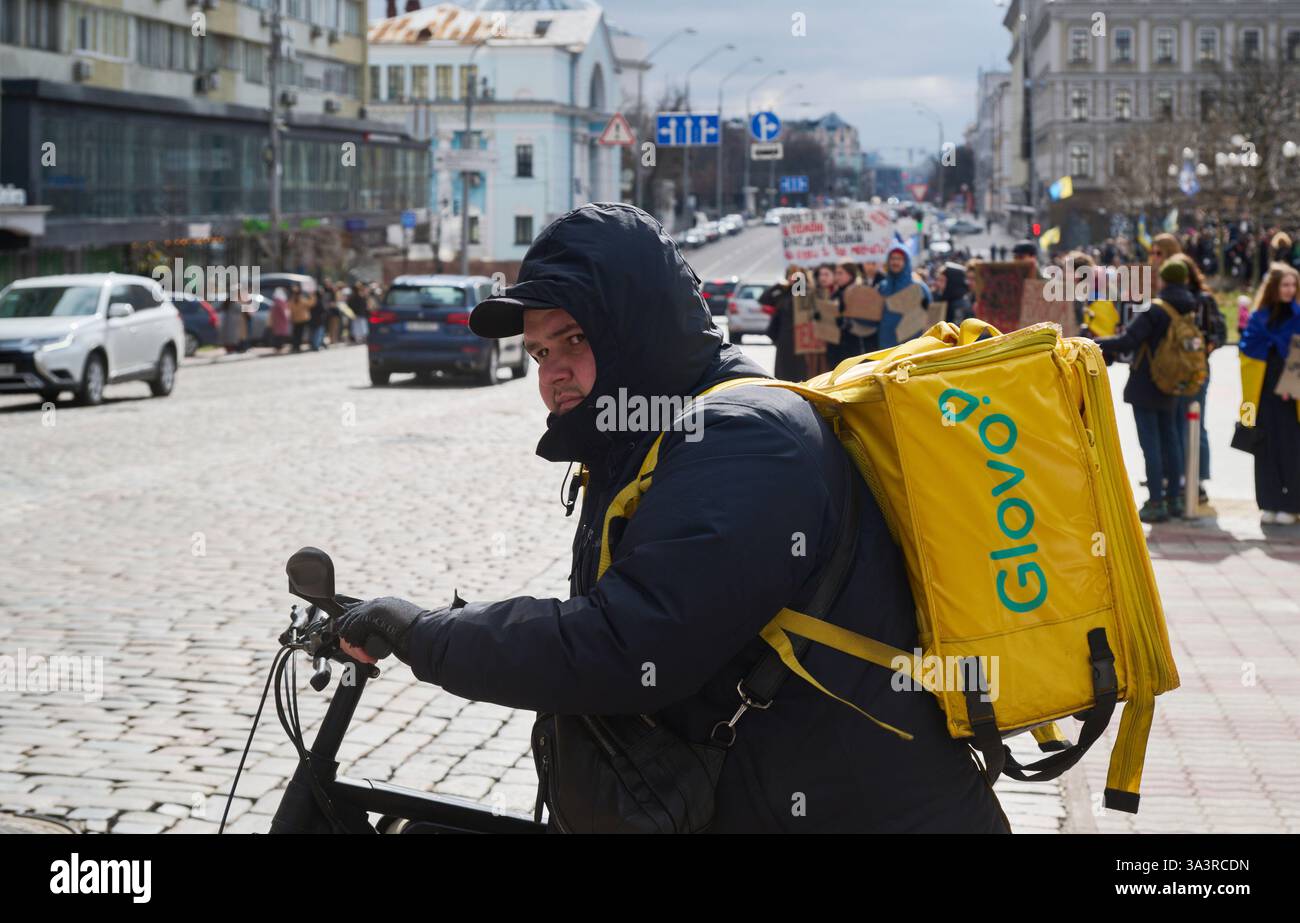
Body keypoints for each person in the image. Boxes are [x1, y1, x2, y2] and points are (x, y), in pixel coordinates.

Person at [331, 203, 1010, 833]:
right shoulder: (646, 432)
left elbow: (629, 642)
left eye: (572, 338)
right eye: (540, 352)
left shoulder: (746, 437)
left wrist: (426, 635)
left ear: (636, 327)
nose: (553, 372)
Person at [1096, 259, 1198, 523]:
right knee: (1171, 440)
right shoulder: (1190, 307)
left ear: (1163, 280)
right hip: (1174, 380)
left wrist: (1092, 341)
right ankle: (1174, 498)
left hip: (1147, 382)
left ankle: (1155, 502)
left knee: (1150, 445)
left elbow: (1128, 341)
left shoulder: (1155, 309)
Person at [1239, 263, 1300, 526]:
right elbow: (1247, 351)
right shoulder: (1258, 319)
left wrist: (1291, 387)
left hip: (1292, 397)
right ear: (1274, 287)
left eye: (1293, 285)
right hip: (1261, 395)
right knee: (1264, 449)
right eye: (1285, 285)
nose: (1290, 290)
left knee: (1291, 451)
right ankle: (1269, 501)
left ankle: (1292, 504)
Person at [1166, 253, 1226, 505]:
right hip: (1190, 370)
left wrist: (1202, 350)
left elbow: (1219, 333)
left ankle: (1194, 480)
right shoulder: (1197, 300)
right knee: (1187, 423)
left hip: (1191, 371)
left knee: (1191, 423)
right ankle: (1186, 479)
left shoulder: (1200, 300)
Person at [876, 244, 932, 349]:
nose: (895, 262)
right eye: (892, 258)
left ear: (906, 261)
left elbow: (929, 315)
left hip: (912, 346)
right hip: (885, 345)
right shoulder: (882, 287)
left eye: (899, 258)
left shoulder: (919, 287)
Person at [758, 265, 808, 382]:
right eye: (791, 274)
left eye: (797, 274)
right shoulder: (783, 292)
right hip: (784, 338)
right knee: (783, 372)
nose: (793, 277)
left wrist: (800, 283)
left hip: (801, 339)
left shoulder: (805, 292)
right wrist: (779, 285)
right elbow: (763, 299)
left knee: (800, 373)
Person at [289, 284, 313, 353]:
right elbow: (311, 303)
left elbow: (290, 308)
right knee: (299, 334)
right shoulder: (302, 299)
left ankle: (295, 346)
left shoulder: (292, 300)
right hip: (302, 319)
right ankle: (297, 347)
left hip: (295, 319)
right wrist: (311, 295)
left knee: (295, 334)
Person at [270, 286, 293, 353]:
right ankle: (279, 347)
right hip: (282, 320)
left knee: (277, 334)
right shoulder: (281, 301)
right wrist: (288, 316)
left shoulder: (275, 301)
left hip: (276, 320)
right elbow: (284, 311)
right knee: (281, 334)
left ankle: (277, 347)